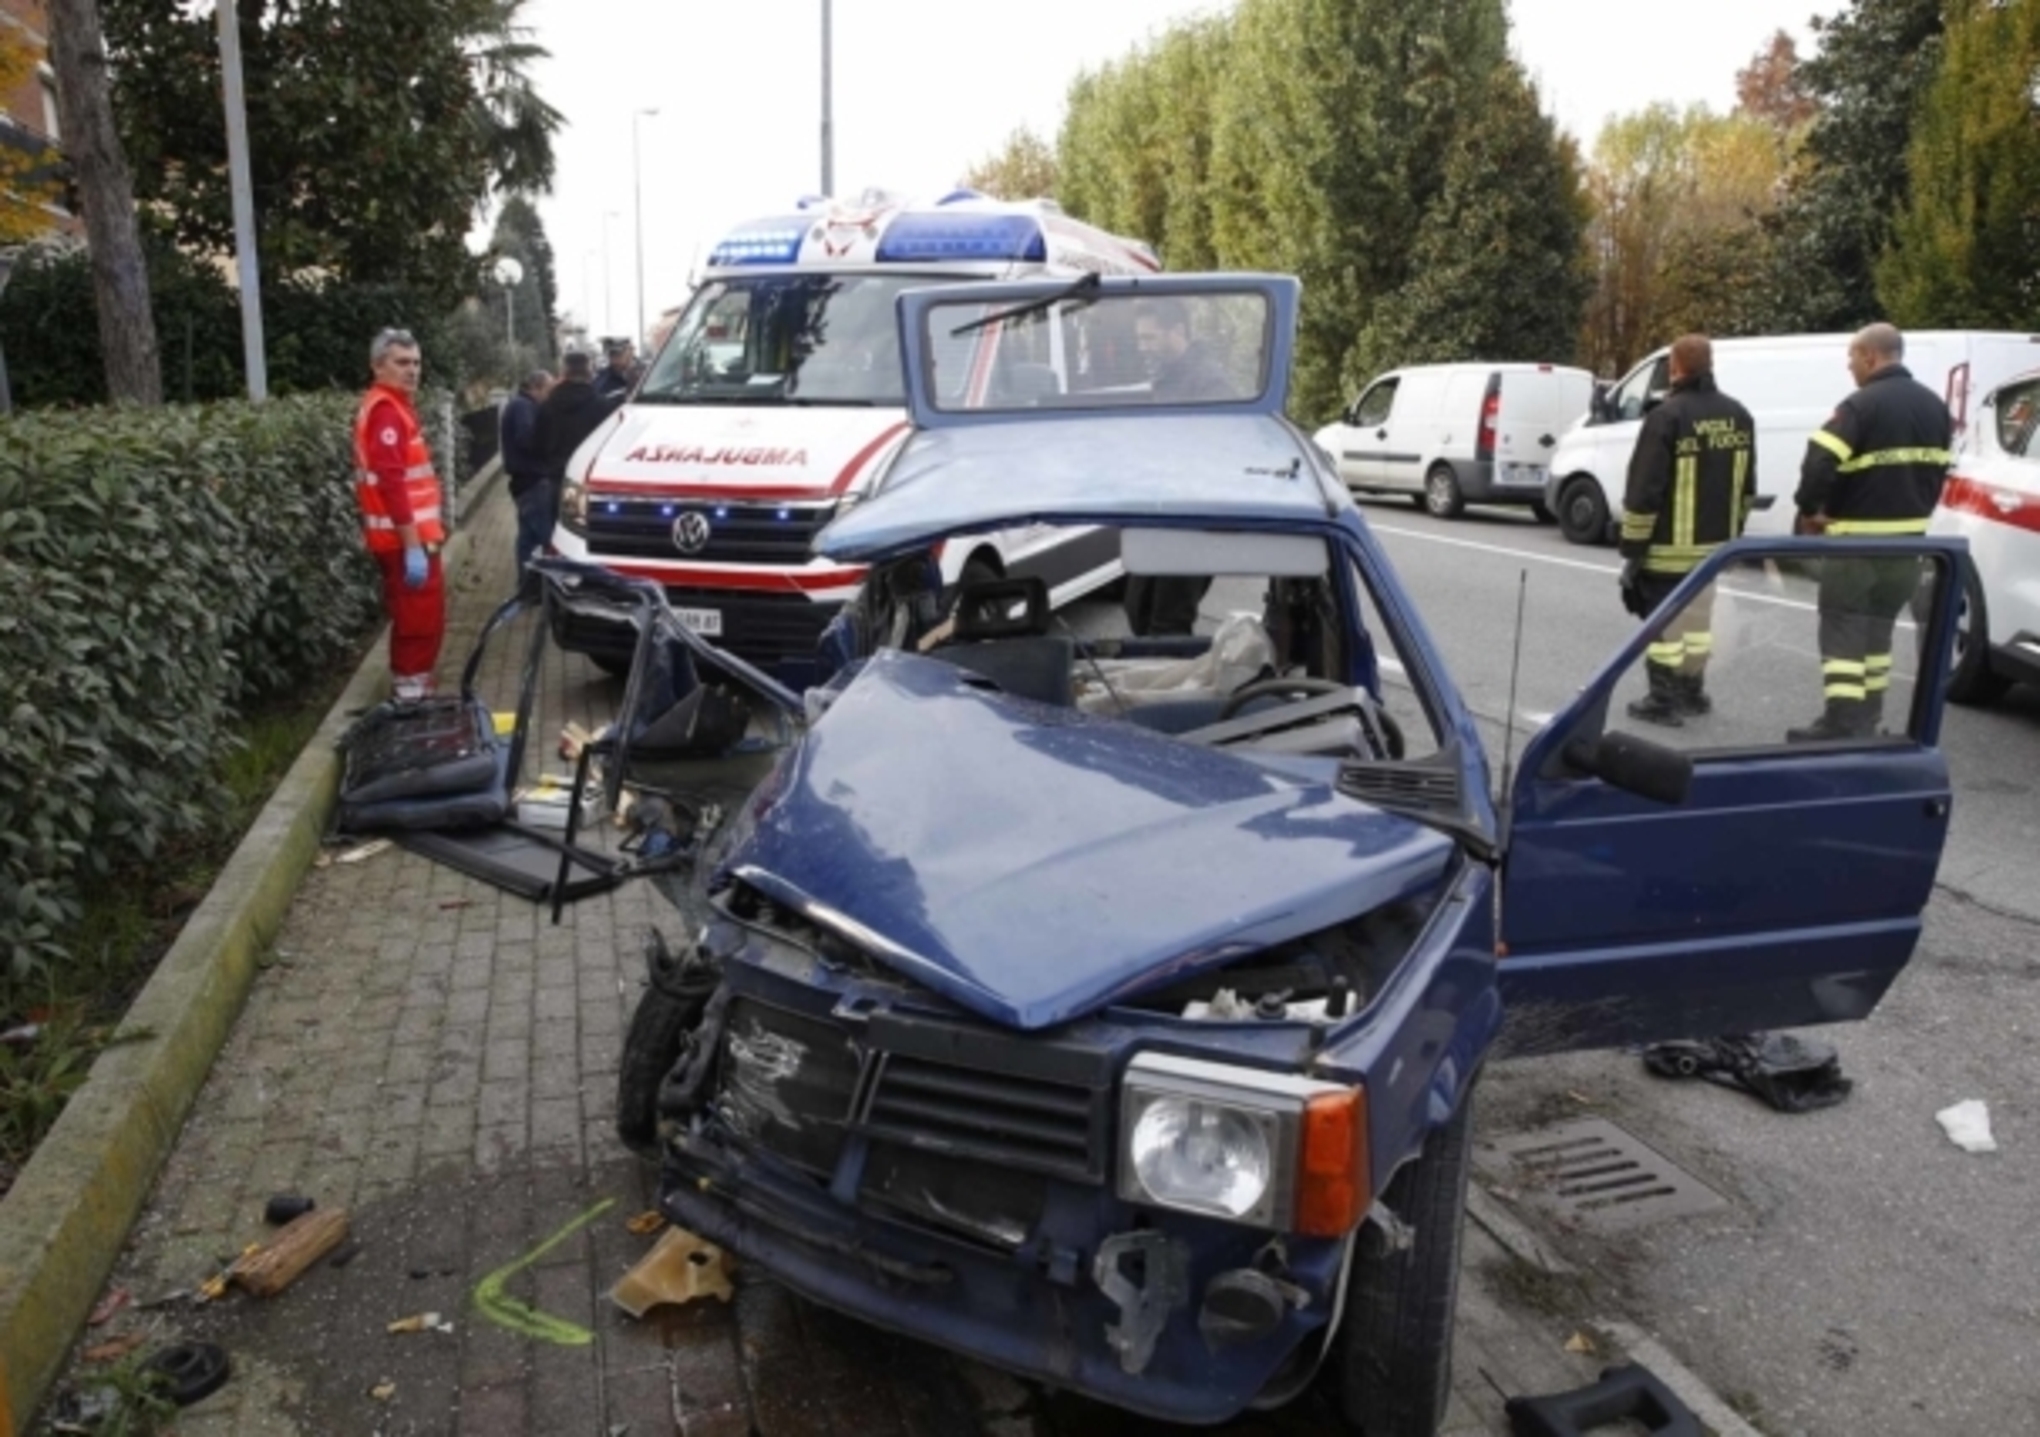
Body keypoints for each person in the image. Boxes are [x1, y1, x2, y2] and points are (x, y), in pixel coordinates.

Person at [1787, 323, 1953, 742]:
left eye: (1851, 359)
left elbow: (1819, 462)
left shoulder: (1860, 407)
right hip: (1909, 548)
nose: (1850, 368)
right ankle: (1868, 719)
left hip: (1857, 544)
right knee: (1878, 635)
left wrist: (1810, 510)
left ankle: (1842, 722)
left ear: (1870, 357)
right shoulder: (1936, 408)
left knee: (1844, 630)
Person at [1615, 334, 1758, 727]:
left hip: (1667, 552)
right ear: (1709, 365)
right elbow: (1747, 488)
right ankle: (1692, 693)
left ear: (1675, 367)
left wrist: (1632, 551)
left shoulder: (1666, 417)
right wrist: (1732, 539)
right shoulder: (1739, 415)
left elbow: (1644, 491)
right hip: (1714, 552)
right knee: (1698, 626)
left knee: (1664, 629)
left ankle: (1662, 700)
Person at [1123, 298, 1229, 635]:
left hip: (1193, 521)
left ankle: (1170, 685)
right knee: (1137, 608)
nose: (1143, 347)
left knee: (1168, 623)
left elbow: (1217, 453)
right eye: (1139, 339)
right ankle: (1155, 677)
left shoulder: (1210, 384)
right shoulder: (1167, 377)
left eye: (1150, 338)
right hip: (1161, 512)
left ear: (1178, 332)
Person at [352, 328, 447, 701]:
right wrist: (412, 545)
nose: (412, 370)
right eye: (401, 363)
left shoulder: (392, 407)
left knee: (421, 617)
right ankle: (411, 696)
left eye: (416, 363)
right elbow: (391, 483)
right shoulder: (387, 412)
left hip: (412, 539)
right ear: (378, 367)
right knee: (417, 621)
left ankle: (414, 688)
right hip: (404, 542)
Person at [537, 349, 624, 489]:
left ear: (564, 372)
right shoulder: (603, 406)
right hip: (589, 476)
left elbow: (538, 443)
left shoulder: (548, 405)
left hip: (556, 476)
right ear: (589, 372)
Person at [503, 368, 555, 574]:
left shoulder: (520, 405)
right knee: (543, 536)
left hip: (525, 481)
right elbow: (526, 439)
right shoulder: (523, 407)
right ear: (536, 388)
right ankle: (537, 587)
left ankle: (526, 586)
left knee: (527, 538)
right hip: (532, 480)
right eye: (548, 391)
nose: (550, 397)